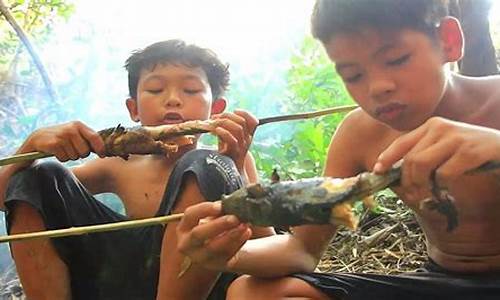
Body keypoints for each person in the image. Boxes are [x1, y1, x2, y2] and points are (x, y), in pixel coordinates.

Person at [175, 1, 500, 299]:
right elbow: (301, 249)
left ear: (448, 41)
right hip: (439, 283)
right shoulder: (360, 134)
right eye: (353, 75)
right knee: (252, 293)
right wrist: (231, 255)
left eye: (396, 60)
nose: (377, 87)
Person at [0, 39, 272, 300]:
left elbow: (268, 243)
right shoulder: (119, 163)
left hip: (197, 286)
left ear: (216, 109)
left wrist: (234, 173)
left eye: (190, 90)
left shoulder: (229, 158)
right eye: (155, 90)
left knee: (206, 165)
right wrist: (30, 144)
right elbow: (15, 197)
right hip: (118, 280)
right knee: (39, 177)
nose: (173, 100)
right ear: (133, 110)